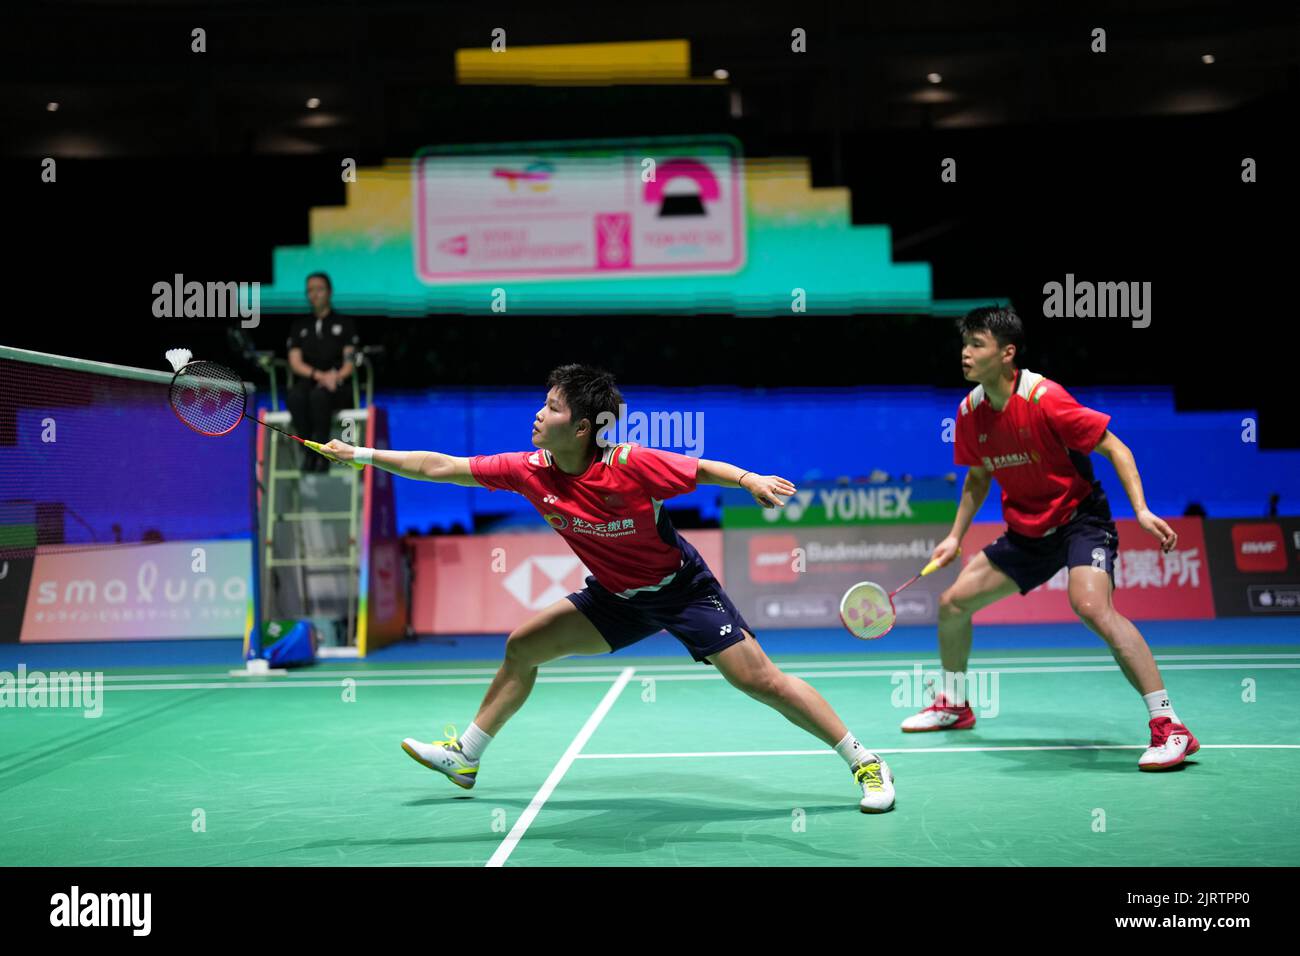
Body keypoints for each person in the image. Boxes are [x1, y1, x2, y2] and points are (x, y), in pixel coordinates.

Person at [317, 364, 897, 812]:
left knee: (760, 681)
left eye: (551, 407)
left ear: (584, 426)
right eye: (543, 404)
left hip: (682, 590)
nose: (538, 415)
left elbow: (701, 469)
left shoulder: (630, 464)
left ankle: (864, 761)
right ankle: (466, 756)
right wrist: (360, 455)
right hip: (616, 598)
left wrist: (751, 480)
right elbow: (441, 466)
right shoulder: (531, 469)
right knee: (523, 645)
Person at [902, 305, 1199, 771]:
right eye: (964, 344)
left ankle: (1170, 726)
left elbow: (1114, 446)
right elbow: (979, 477)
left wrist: (1140, 510)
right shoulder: (970, 412)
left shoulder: (1046, 398)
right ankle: (955, 704)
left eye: (976, 345)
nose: (965, 353)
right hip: (1026, 532)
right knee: (952, 604)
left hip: (1081, 521)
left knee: (1091, 606)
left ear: (1007, 353)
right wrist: (955, 536)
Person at [286, 272, 358, 472]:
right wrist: (319, 376)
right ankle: (309, 452)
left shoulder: (345, 324)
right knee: (295, 397)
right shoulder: (299, 326)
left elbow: (349, 362)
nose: (314, 294)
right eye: (310, 290)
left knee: (319, 397)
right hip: (310, 381)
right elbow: (295, 362)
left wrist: (336, 377)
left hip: (337, 384)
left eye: (319, 289)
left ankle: (325, 453)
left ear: (329, 292)